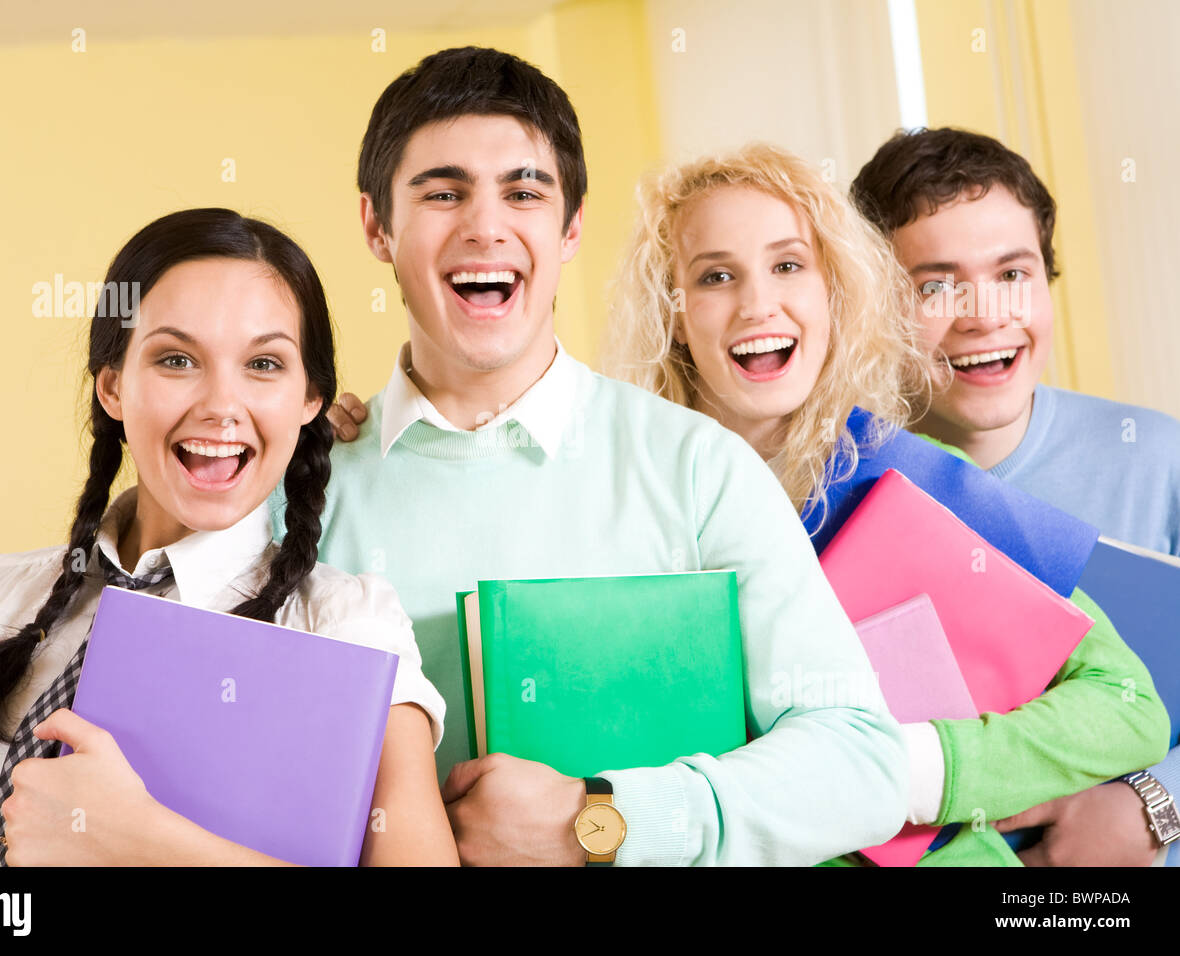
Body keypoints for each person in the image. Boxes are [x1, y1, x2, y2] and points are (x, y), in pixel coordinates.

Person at [290, 45, 909, 867]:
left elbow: (862, 764)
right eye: (443, 193)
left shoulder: (699, 469)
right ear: (377, 225)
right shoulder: (301, 486)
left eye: (524, 192)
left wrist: (602, 822)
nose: (485, 225)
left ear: (571, 226)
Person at [597, 141, 1168, 866]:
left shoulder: (913, 478)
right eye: (716, 276)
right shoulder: (627, 513)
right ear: (675, 312)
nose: (758, 302)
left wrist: (907, 772)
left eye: (788, 265)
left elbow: (1126, 705)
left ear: (832, 291)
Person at [0, 208, 457, 867]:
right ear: (113, 385)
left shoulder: (347, 627)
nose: (221, 405)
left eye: (263, 363)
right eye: (176, 359)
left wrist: (140, 840)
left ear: (309, 398)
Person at [852, 127, 1180, 866]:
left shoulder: (1157, 459)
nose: (984, 314)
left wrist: (1156, 805)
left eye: (1012, 274)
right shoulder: (840, 491)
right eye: (934, 285)